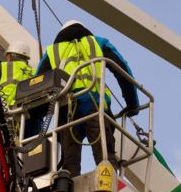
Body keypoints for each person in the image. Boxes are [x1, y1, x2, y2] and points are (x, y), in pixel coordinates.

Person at [36, 20, 140, 176]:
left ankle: (66, 188)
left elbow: (38, 85)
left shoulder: (52, 51)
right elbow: (123, 71)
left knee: (69, 161)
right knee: (104, 154)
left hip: (67, 111)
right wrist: (132, 103)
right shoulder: (98, 42)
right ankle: (108, 181)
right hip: (95, 106)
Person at [0, 40, 35, 109]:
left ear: (9, 56)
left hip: (1, 107)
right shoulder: (34, 72)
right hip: (22, 111)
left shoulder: (1, 66)